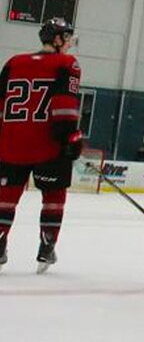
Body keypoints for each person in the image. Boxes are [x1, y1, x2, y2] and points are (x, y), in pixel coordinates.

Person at [0, 18, 82, 274]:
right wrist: (71, 136)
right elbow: (65, 104)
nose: (69, 43)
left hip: (11, 143)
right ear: (56, 39)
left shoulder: (14, 62)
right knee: (54, 195)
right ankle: (47, 245)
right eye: (66, 37)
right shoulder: (67, 63)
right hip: (47, 143)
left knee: (5, 198)